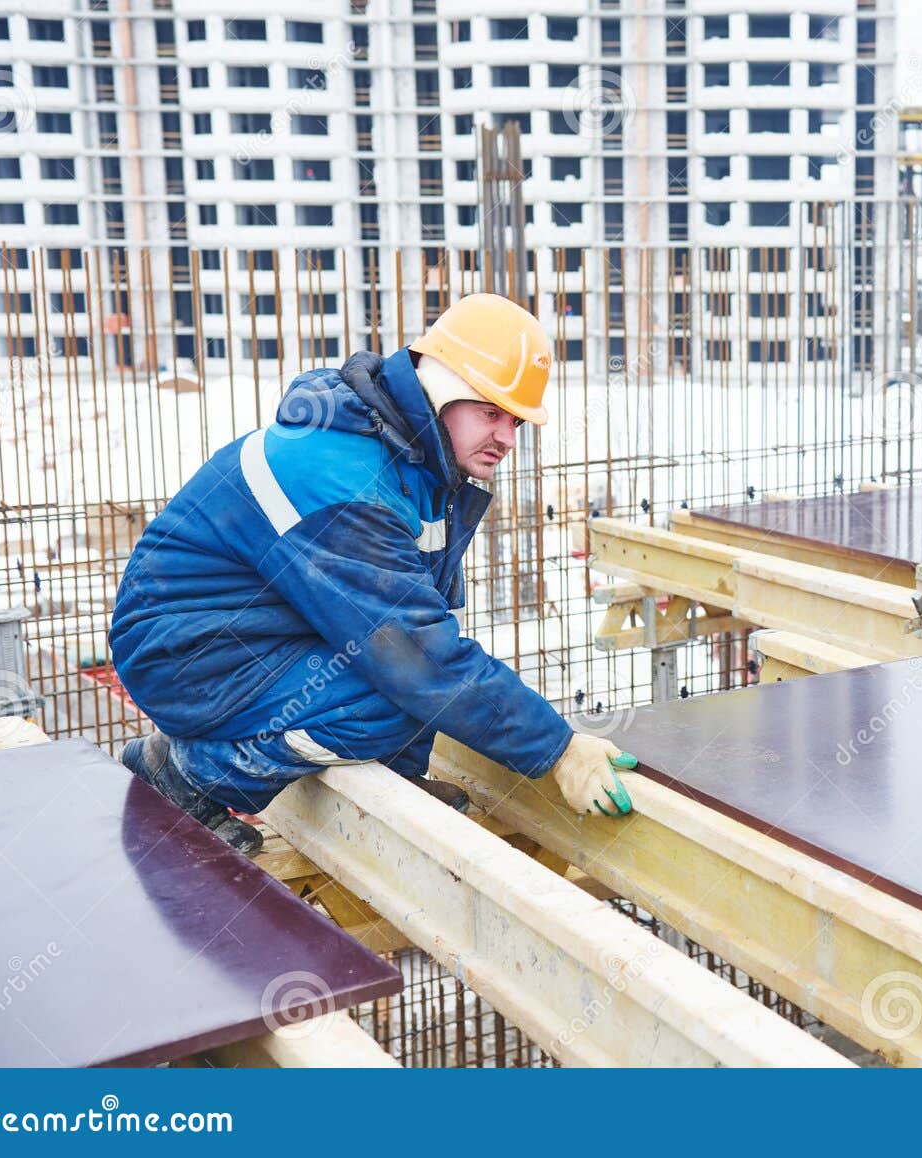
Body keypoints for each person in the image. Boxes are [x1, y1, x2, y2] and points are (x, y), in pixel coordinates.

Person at [109, 294, 634, 853]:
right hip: (186, 654)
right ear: (442, 395)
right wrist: (556, 749)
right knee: (388, 694)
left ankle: (390, 770)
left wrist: (403, 778)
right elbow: (413, 656)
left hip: (258, 633)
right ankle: (188, 775)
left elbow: (431, 621)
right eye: (490, 413)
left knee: (405, 680)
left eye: (515, 421)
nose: (507, 437)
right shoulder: (346, 480)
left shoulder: (418, 468)